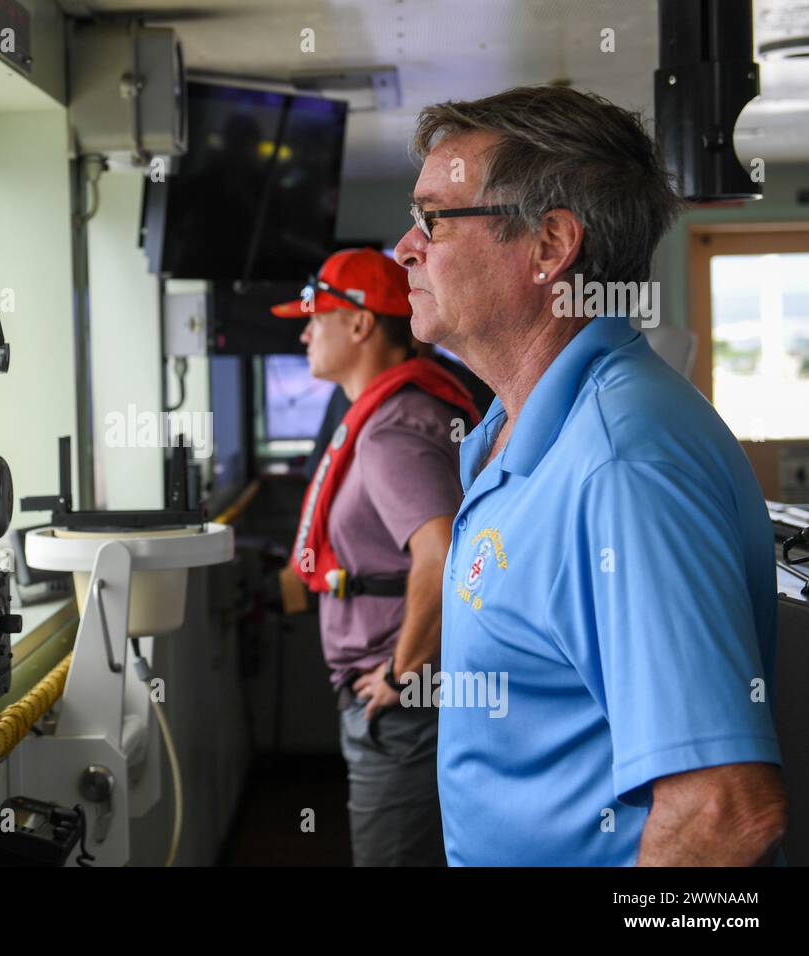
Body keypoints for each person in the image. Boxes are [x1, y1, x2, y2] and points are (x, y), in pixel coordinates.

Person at [391, 85, 788, 866]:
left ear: (549, 247)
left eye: (434, 218)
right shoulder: (518, 434)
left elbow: (724, 811)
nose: (406, 247)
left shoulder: (622, 465)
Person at [272, 247, 479, 865]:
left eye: (317, 316)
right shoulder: (396, 409)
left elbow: (441, 555)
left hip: (402, 705)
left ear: (361, 324)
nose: (305, 331)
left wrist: (399, 674)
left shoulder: (392, 427)